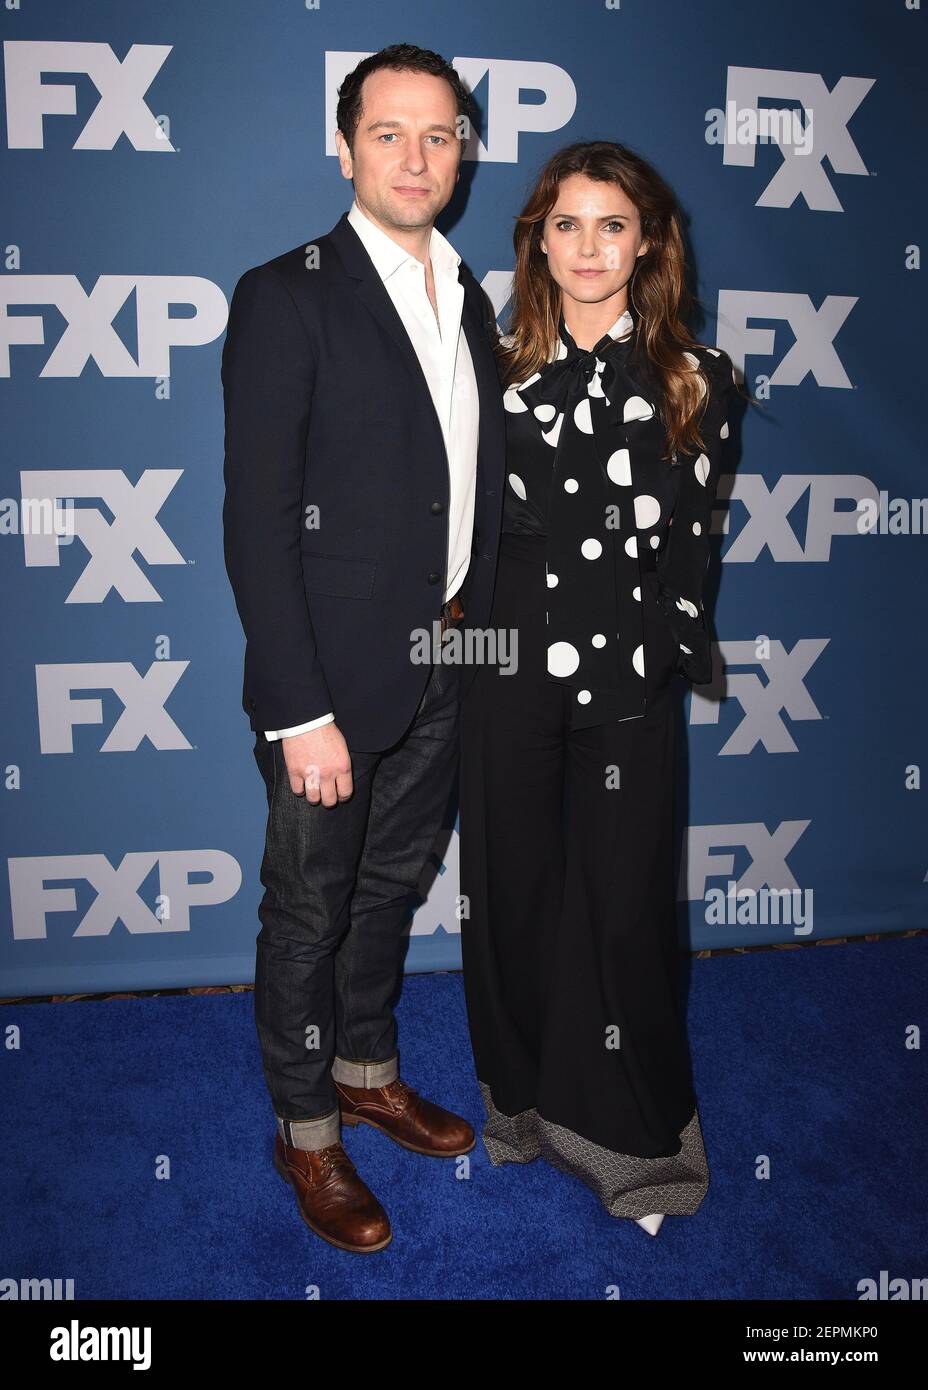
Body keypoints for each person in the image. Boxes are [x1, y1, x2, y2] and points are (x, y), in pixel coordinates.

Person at [221, 45, 505, 1253]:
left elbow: (470, 495)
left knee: (392, 886)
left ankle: (364, 1068)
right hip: (328, 682)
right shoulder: (285, 293)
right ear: (343, 147)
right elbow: (255, 517)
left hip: (447, 657)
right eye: (389, 133)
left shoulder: (473, 293)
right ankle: (306, 1131)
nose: (416, 157)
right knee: (309, 908)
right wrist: (298, 709)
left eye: (438, 136)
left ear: (463, 152)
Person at [459, 140, 742, 1235]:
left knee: (621, 903)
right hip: (507, 655)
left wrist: (662, 653)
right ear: (536, 239)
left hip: (627, 659)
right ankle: (521, 1106)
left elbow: (695, 547)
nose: (586, 247)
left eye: (610, 224)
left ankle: (634, 1147)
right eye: (564, 224)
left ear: (648, 242)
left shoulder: (697, 377)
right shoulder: (487, 362)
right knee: (510, 885)